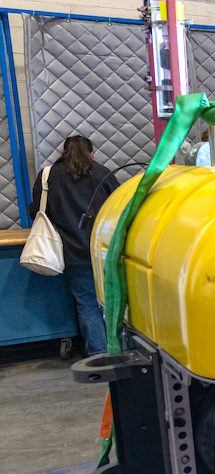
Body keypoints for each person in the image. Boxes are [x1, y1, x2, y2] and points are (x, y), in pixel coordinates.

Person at [30, 135, 117, 355]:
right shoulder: (102, 173)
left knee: (86, 303)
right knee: (114, 301)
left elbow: (37, 211)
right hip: (104, 249)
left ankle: (98, 353)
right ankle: (121, 349)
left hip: (72, 253)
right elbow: (119, 205)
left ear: (64, 152)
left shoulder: (49, 177)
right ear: (91, 152)